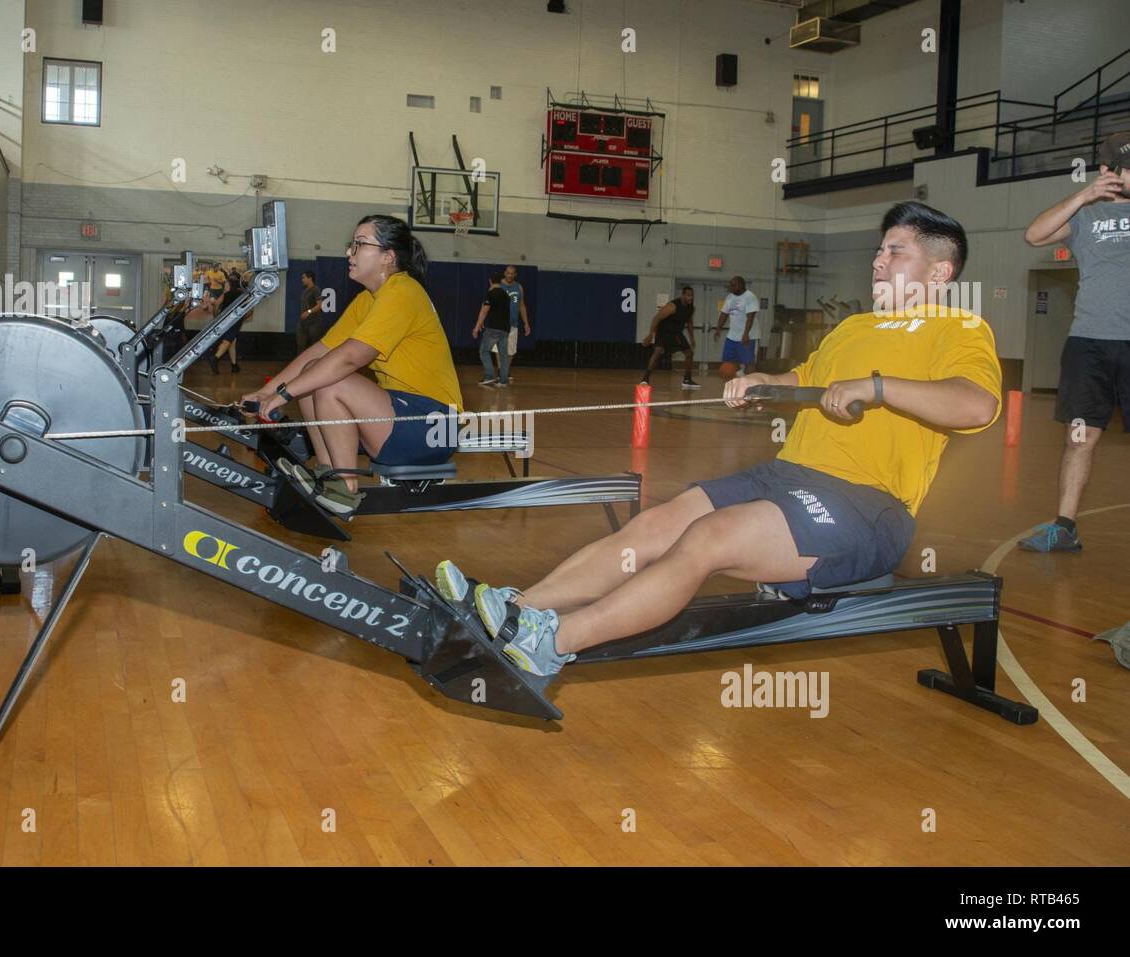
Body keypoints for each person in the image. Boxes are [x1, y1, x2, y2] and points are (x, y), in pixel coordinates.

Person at [435, 201, 1001, 676]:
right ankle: (515, 609)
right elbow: (807, 379)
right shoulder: (854, 327)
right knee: (654, 525)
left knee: (708, 538)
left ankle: (550, 645)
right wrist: (764, 382)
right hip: (788, 475)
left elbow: (976, 404)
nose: (878, 260)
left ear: (940, 272)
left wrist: (876, 387)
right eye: (879, 250)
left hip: (865, 505)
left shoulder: (961, 328)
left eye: (895, 251)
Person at [241, 215, 463, 515]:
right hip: (402, 417)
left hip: (434, 427)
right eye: (352, 245)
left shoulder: (403, 292)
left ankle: (344, 489)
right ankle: (328, 472)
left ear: (388, 257)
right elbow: (319, 351)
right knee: (314, 371)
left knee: (333, 379)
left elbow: (350, 358)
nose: (349, 252)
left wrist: (283, 395)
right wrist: (266, 392)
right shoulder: (368, 300)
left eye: (359, 245)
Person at [1017, 130, 1130, 553]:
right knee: (1079, 438)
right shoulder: (1085, 218)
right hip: (1089, 344)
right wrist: (1085, 196)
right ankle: (1065, 526)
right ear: (1107, 172)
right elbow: (1034, 235)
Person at [641, 285, 698, 388]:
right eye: (688, 295)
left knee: (689, 353)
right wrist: (650, 335)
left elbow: (689, 322)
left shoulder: (691, 308)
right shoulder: (672, 306)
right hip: (663, 332)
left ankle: (687, 379)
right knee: (657, 352)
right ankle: (645, 379)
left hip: (676, 334)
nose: (691, 298)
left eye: (692, 296)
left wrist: (692, 338)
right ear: (683, 295)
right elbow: (656, 318)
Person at [714, 276, 761, 380]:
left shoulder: (750, 297)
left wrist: (745, 334)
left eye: (733, 285)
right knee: (728, 362)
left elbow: (751, 317)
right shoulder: (730, 297)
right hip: (732, 336)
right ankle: (736, 379)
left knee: (749, 363)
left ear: (740, 285)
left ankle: (753, 386)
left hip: (748, 336)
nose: (730, 287)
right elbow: (724, 314)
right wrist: (718, 329)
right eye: (730, 285)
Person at [491, 265, 532, 380]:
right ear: (505, 273)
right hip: (499, 323)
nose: (509, 275)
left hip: (513, 324)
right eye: (508, 273)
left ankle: (505, 371)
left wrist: (526, 323)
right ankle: (500, 371)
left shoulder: (518, 287)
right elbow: (488, 303)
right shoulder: (498, 286)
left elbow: (522, 306)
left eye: (512, 273)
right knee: (497, 349)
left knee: (511, 350)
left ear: (515, 275)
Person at [474, 271, 512, 387]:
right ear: (501, 281)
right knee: (503, 355)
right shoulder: (505, 295)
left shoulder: (491, 294)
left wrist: (477, 327)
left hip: (493, 328)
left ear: (490, 281)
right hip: (505, 329)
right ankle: (503, 381)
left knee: (484, 351)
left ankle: (490, 376)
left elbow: (484, 311)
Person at [208, 268, 245, 374]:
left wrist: (216, 315)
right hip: (236, 320)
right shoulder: (242, 295)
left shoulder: (226, 294)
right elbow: (248, 309)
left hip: (224, 319)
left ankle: (234, 365)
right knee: (228, 340)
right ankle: (216, 358)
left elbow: (216, 304)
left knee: (232, 342)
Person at [294, 271, 326, 352]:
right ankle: (300, 363)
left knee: (314, 345)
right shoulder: (305, 290)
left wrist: (308, 312)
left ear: (310, 278)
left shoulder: (315, 289)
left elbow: (320, 305)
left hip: (314, 322)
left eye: (304, 277)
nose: (302, 280)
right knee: (300, 345)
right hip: (303, 323)